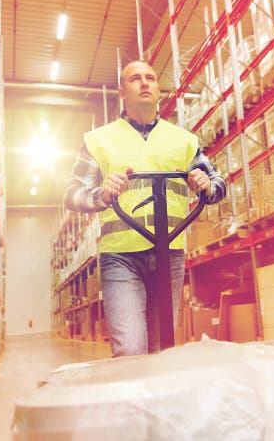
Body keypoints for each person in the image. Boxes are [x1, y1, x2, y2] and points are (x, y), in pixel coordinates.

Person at [64, 60, 226, 357]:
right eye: (135, 79)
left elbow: (218, 183)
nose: (145, 83)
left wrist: (206, 185)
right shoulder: (98, 141)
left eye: (151, 78)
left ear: (159, 90)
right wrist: (101, 194)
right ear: (122, 92)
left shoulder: (184, 140)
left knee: (164, 348)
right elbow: (72, 193)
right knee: (130, 349)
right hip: (121, 257)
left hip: (169, 255)